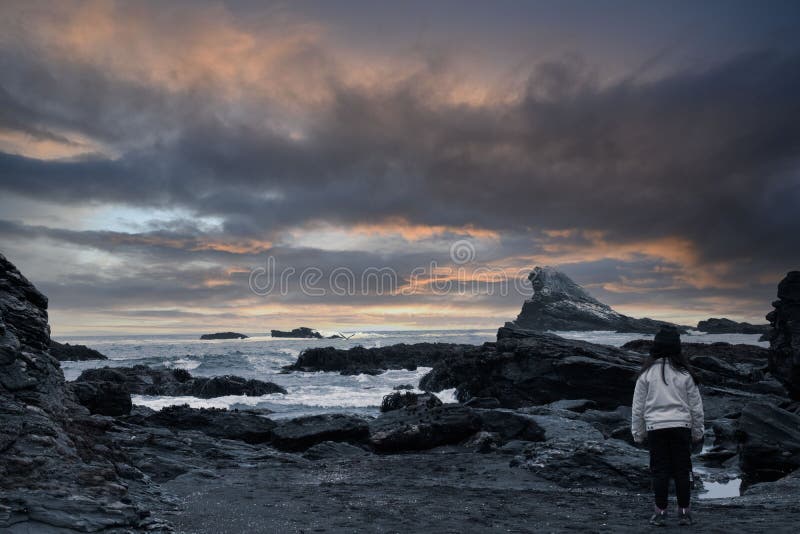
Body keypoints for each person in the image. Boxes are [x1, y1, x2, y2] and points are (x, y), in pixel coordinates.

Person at [631, 326, 704, 526]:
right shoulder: (685, 374)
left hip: (656, 428)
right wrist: (698, 432)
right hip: (682, 427)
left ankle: (660, 513)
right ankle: (684, 513)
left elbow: (638, 407)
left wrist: (638, 433)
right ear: (677, 347)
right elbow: (696, 407)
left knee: (660, 471)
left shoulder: (646, 374)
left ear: (656, 347)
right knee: (682, 470)